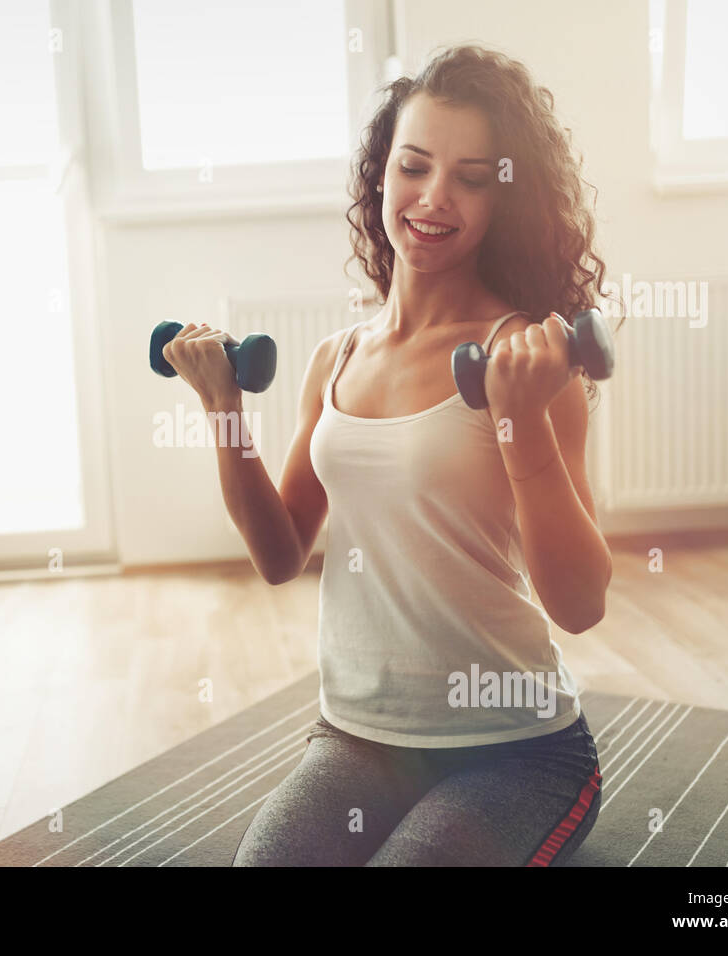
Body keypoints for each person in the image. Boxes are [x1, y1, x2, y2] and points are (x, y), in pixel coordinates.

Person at [160, 45, 618, 866]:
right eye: (414, 166)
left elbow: (581, 604)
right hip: (361, 737)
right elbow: (279, 553)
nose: (435, 197)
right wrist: (225, 410)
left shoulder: (523, 360)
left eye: (472, 178)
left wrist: (521, 424)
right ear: (381, 176)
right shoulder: (336, 358)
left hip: (518, 748)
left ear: (503, 198)